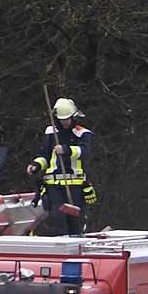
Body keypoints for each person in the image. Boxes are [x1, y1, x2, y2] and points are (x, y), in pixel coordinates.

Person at [26, 96, 96, 236]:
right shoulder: (51, 133)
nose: (65, 122)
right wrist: (36, 165)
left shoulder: (82, 133)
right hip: (54, 185)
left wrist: (66, 150)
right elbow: (45, 156)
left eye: (67, 119)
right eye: (62, 119)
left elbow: (84, 151)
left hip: (75, 185)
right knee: (57, 219)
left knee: (75, 220)